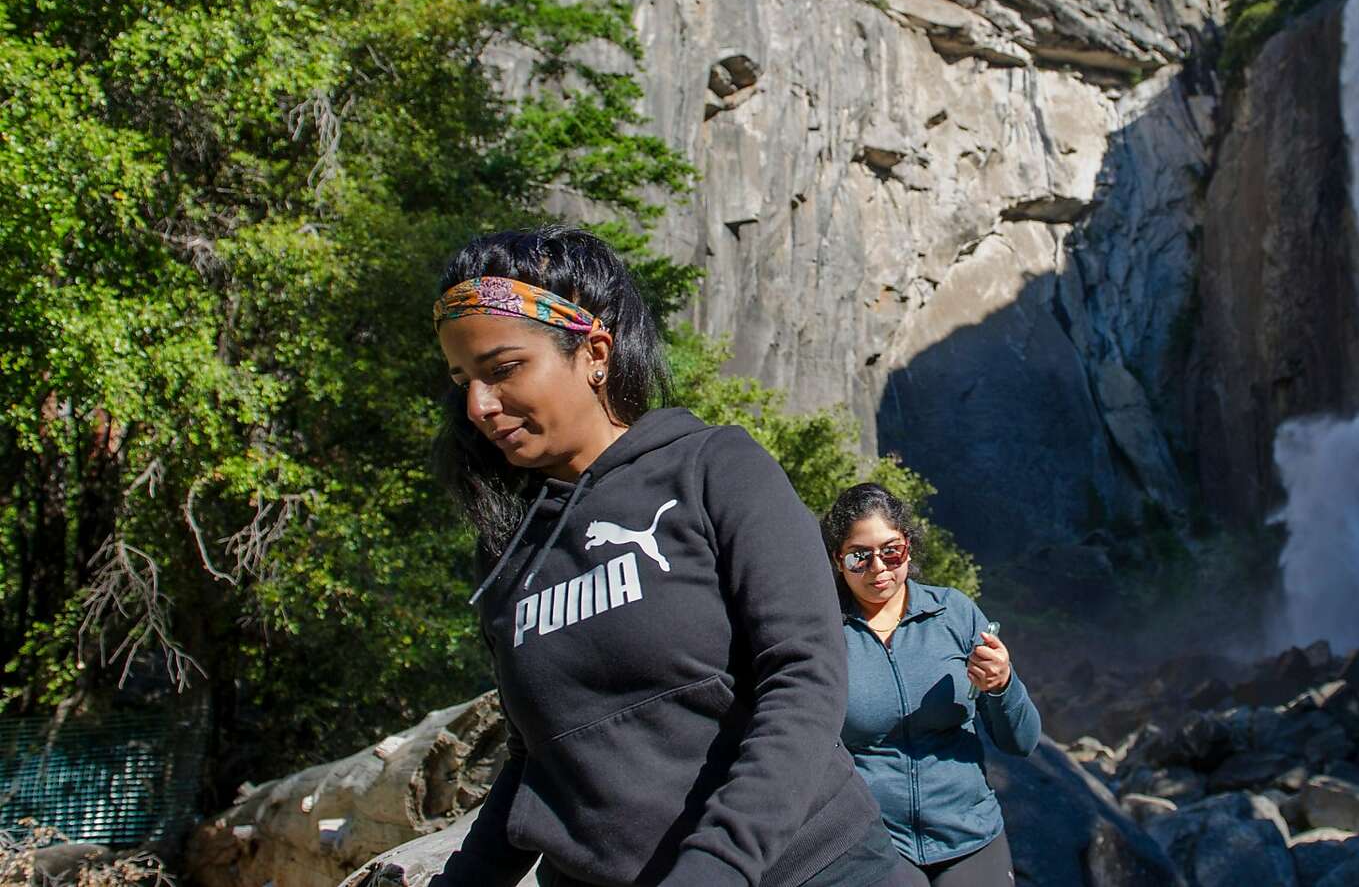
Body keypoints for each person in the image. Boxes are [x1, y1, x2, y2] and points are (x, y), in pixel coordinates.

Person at [429, 227, 921, 887]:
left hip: (812, 871)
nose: (478, 405)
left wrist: (716, 868)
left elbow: (804, 677)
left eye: (502, 369)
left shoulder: (715, 468)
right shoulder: (506, 550)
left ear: (594, 352)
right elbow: (537, 757)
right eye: (462, 379)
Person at [823, 484, 1041, 887]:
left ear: (908, 546)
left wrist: (1002, 684)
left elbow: (1021, 741)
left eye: (891, 551)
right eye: (859, 556)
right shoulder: (823, 632)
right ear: (838, 560)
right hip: (870, 844)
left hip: (970, 835)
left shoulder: (953, 613)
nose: (878, 568)